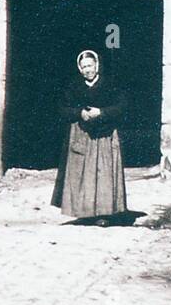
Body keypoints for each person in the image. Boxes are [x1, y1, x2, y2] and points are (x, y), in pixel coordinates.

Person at [51, 48, 127, 221]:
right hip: (81, 136)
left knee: (103, 175)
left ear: (97, 65)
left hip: (104, 136)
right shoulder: (73, 86)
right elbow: (62, 109)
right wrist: (80, 113)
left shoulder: (110, 84)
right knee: (81, 176)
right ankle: (83, 213)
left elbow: (122, 106)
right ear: (79, 69)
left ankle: (103, 214)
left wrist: (101, 112)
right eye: (84, 67)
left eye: (90, 65)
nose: (88, 70)